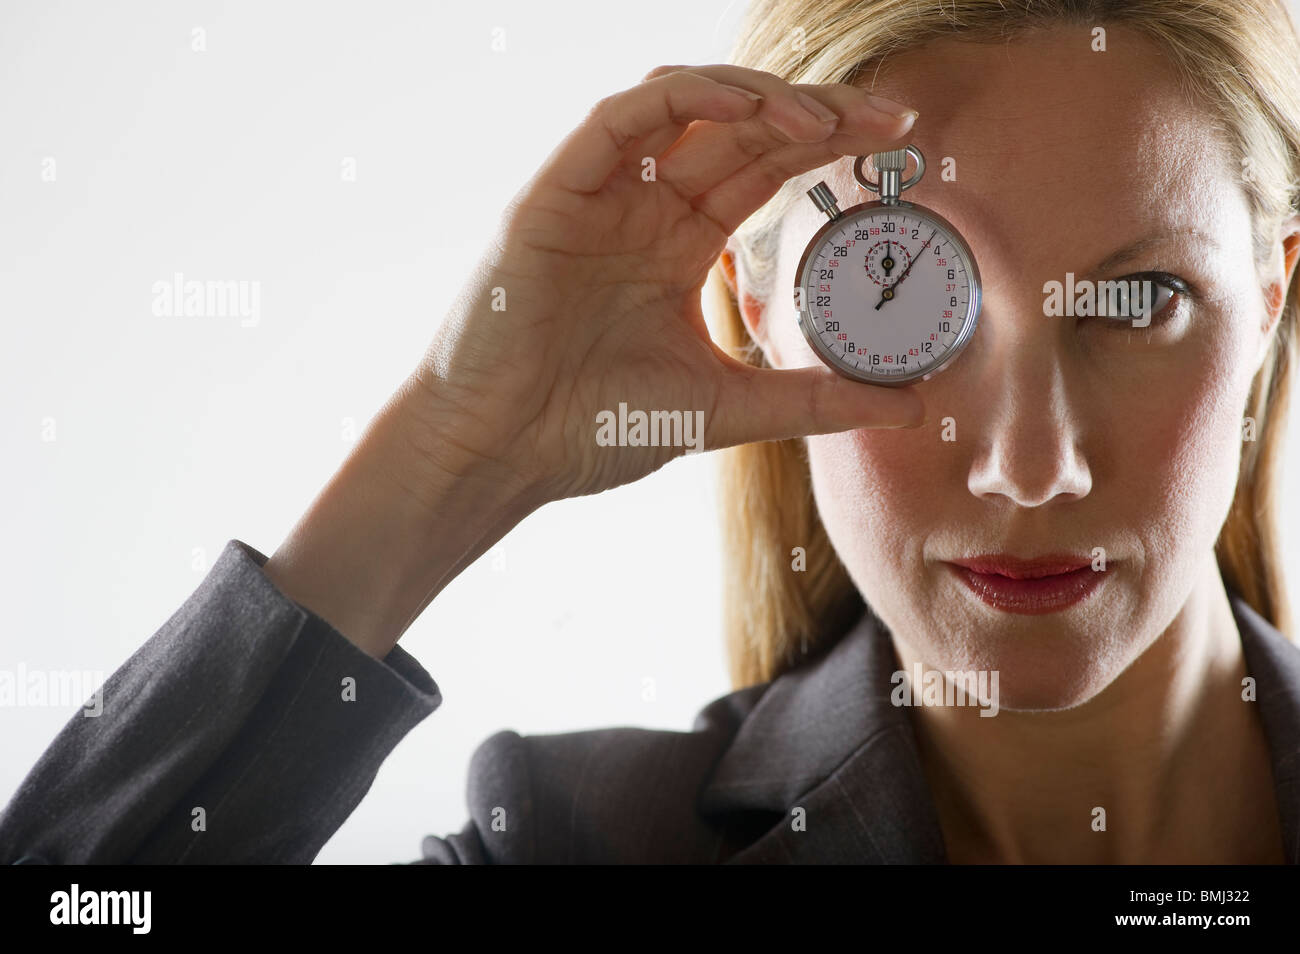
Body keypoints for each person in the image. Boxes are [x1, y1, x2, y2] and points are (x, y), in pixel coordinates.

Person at [3, 0, 1299, 864]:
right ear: (755, 307)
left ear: (1275, 294)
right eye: (903, 299)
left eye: (1138, 301)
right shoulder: (577, 842)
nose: (1031, 462)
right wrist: (453, 451)